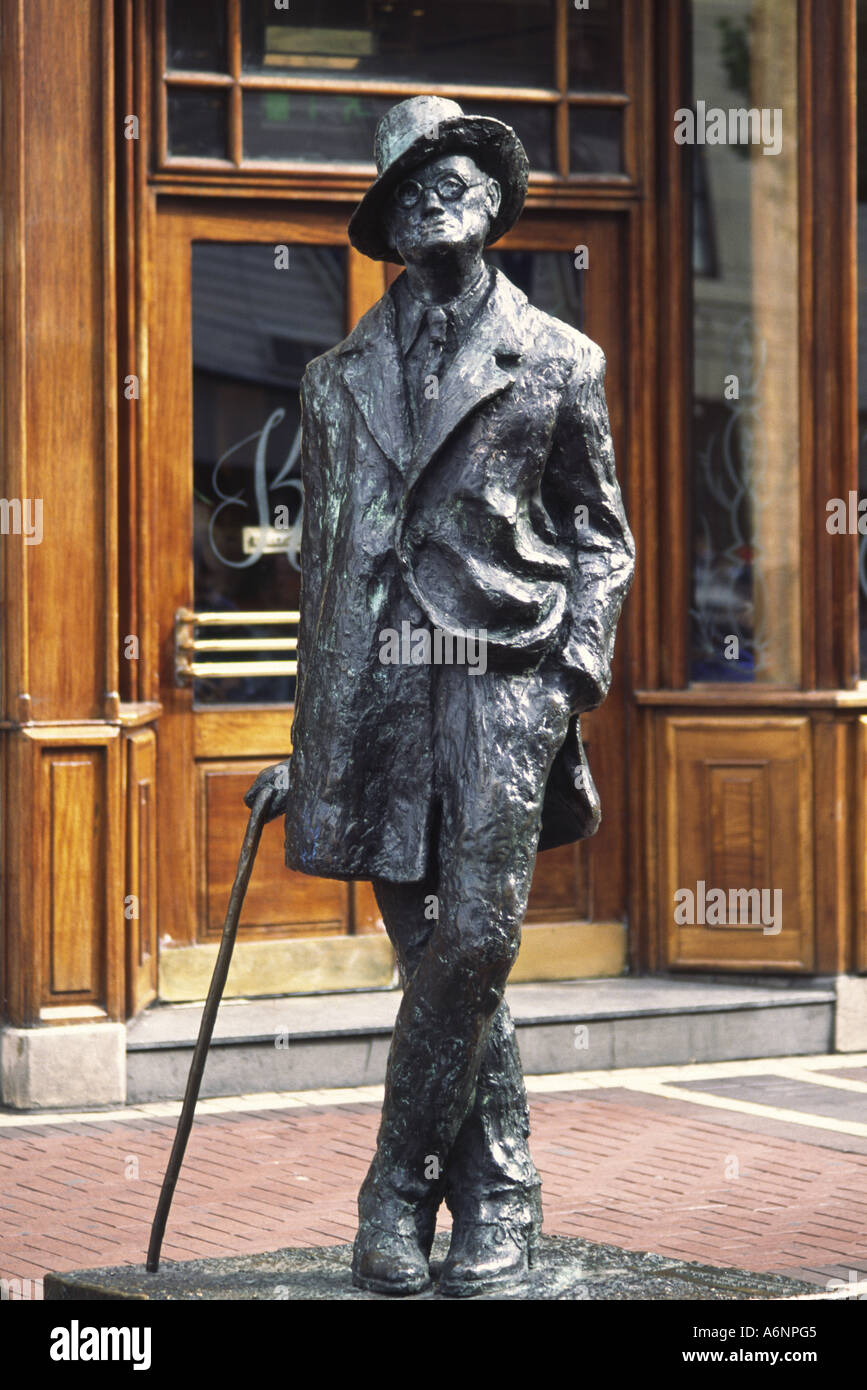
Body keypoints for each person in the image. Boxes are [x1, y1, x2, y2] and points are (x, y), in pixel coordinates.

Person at [246, 95, 635, 1297]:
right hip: (378, 703)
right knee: (442, 961)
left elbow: (601, 538)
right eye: (406, 183)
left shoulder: (562, 360)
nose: (432, 193)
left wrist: (568, 677)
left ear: (490, 194)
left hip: (503, 687)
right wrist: (313, 748)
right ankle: (503, 1207)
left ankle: (394, 1192)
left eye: (450, 172)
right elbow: (326, 574)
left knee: (475, 939)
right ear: (387, 220)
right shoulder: (333, 376)